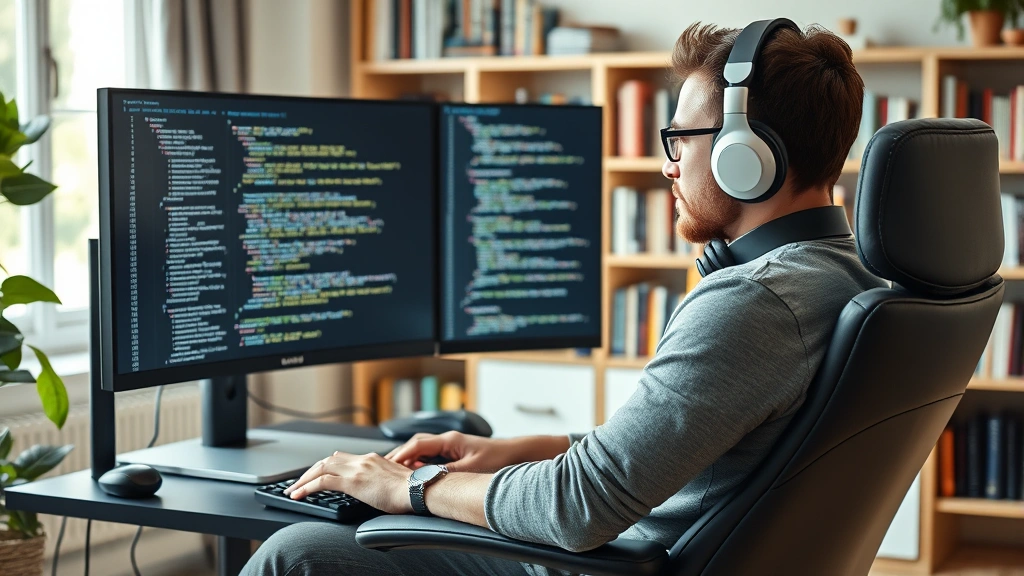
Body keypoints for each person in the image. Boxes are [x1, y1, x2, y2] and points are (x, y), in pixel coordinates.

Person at [241, 20, 886, 576]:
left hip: (609, 558)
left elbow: (578, 508)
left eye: (680, 140)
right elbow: (679, 447)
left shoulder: (752, 304)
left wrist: (410, 484)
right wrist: (516, 452)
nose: (668, 166)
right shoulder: (844, 277)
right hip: (647, 543)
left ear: (746, 156)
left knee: (296, 551)